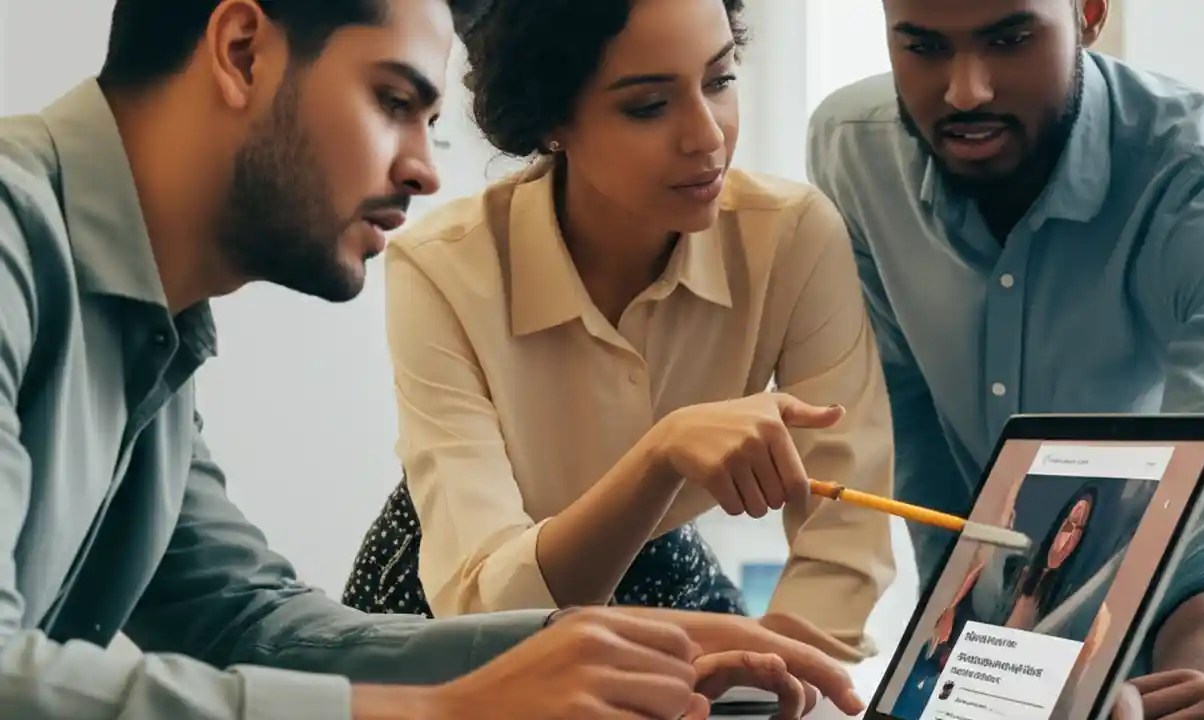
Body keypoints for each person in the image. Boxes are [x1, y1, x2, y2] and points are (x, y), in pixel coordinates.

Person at [0, 0, 874, 718]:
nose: (424, 171)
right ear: (240, 51)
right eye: (391, 101)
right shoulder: (13, 236)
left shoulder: (155, 328)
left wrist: (581, 645)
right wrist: (437, 713)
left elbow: (244, 621)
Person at [345, 0, 896, 660]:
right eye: (648, 107)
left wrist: (793, 677)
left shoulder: (792, 235)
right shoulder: (443, 267)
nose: (708, 135)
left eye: (719, 80)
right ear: (551, 119)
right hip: (453, 603)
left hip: (667, 581)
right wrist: (660, 453)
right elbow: (485, 606)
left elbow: (846, 531)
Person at [807, 0, 1204, 716]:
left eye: (1011, 39)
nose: (966, 91)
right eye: (924, 46)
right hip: (1003, 671)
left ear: (1088, 13)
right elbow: (909, 415)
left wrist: (1190, 683)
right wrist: (946, 660)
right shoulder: (854, 150)